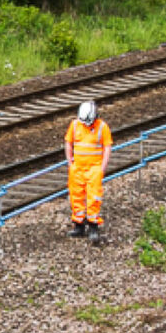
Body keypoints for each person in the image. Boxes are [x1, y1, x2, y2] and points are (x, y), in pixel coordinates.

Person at [64, 100, 113, 241]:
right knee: (76, 196)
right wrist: (70, 163)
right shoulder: (75, 125)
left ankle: (93, 226)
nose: (87, 125)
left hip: (94, 168)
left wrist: (102, 168)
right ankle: (78, 225)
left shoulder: (102, 127)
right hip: (77, 168)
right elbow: (68, 143)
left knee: (94, 198)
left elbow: (107, 147)